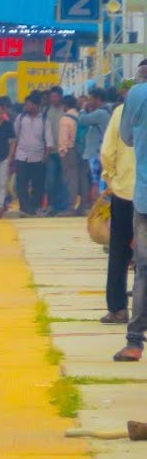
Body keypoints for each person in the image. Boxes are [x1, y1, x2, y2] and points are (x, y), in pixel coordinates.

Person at [112, 62, 147, 361]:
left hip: (145, 197)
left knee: (144, 270)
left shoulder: (137, 94)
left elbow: (126, 138)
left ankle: (135, 342)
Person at [101, 75, 140, 325]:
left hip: (126, 192)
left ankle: (118, 308)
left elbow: (107, 152)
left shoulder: (121, 112)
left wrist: (111, 179)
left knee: (119, 252)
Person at [12, 94, 49, 217]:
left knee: (37, 184)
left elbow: (49, 140)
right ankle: (24, 208)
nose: (26, 106)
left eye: (28, 104)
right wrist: (12, 155)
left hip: (38, 157)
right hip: (22, 156)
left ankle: (34, 207)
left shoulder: (44, 120)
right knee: (21, 183)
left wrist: (45, 156)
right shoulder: (21, 118)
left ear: (35, 105)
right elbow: (15, 137)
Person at [81, 89, 112, 197]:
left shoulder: (100, 113)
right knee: (99, 182)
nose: (89, 101)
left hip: (95, 153)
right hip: (100, 152)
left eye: (91, 99)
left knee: (96, 183)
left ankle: (99, 206)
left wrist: (82, 109)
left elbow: (83, 120)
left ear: (97, 99)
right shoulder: (106, 111)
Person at [59, 95, 85, 216]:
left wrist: (62, 153)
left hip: (69, 151)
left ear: (65, 105)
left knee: (70, 179)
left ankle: (70, 207)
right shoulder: (80, 116)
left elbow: (63, 140)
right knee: (80, 179)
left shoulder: (65, 119)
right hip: (80, 150)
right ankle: (82, 206)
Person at [43, 86, 68, 215]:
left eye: (55, 96)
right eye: (51, 97)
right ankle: (51, 205)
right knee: (50, 181)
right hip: (51, 152)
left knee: (63, 181)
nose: (53, 99)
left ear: (60, 96)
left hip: (64, 152)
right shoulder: (47, 111)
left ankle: (62, 207)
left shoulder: (66, 110)